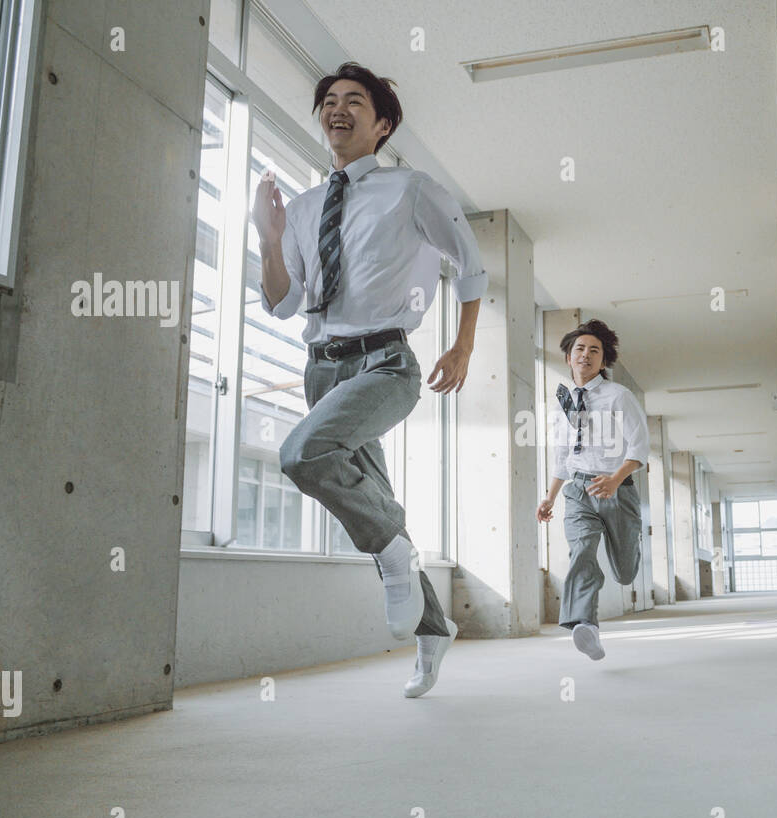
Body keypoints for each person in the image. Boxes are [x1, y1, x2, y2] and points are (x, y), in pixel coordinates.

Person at [251, 61, 486, 698]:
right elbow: (282, 302)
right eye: (329, 100)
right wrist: (269, 238)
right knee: (374, 499)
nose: (338, 108)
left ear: (381, 124)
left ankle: (391, 556)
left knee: (303, 455)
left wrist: (462, 346)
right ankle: (433, 628)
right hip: (321, 369)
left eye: (355, 101)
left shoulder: (409, 189)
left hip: (385, 364)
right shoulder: (302, 209)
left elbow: (470, 263)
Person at [536, 320, 648, 660]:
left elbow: (640, 446)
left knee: (625, 572)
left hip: (617, 489)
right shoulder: (562, 404)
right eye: (579, 349)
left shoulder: (619, 397)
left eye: (594, 350)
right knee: (582, 550)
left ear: (604, 361)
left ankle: (631, 550)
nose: (585, 354)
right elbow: (562, 457)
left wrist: (615, 479)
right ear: (569, 357)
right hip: (578, 491)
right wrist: (550, 496)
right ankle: (586, 624)